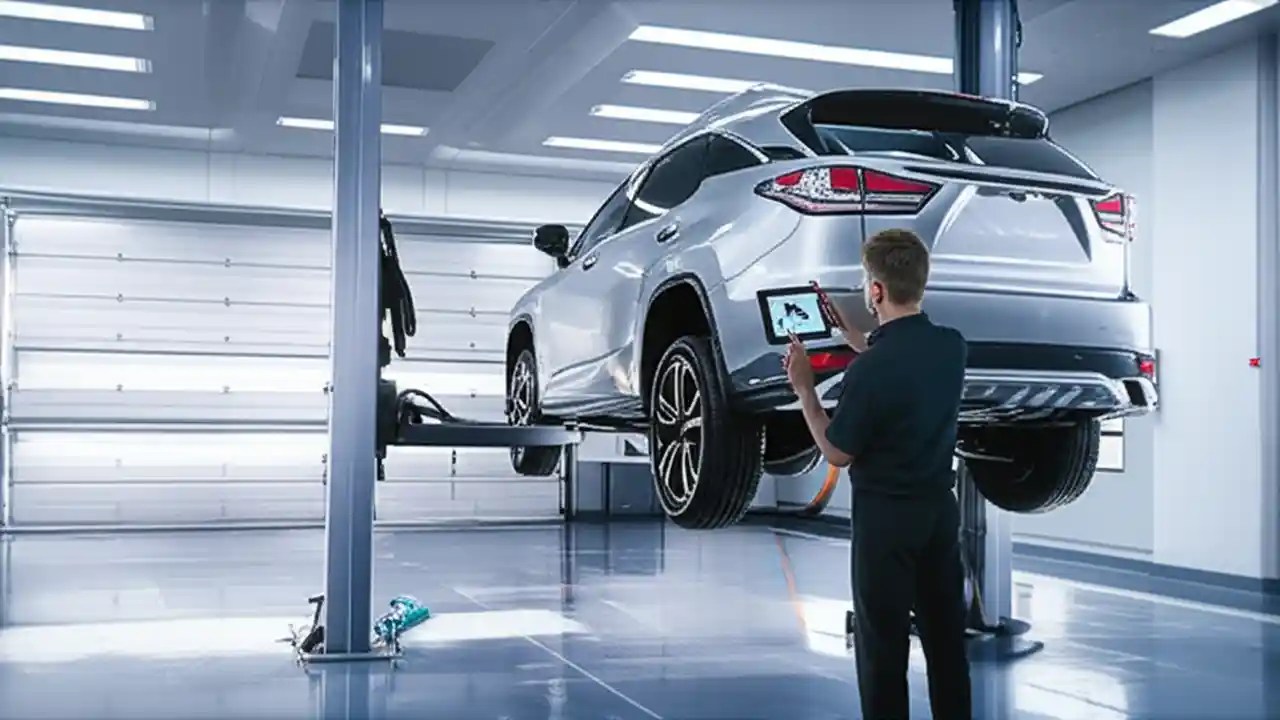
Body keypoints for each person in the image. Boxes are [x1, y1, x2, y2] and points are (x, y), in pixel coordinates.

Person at [784, 228, 972, 720]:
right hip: (937, 515)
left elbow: (837, 451)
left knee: (882, 649)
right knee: (946, 643)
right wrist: (858, 337)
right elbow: (903, 359)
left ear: (876, 290)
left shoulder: (867, 372)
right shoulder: (952, 348)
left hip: (885, 523)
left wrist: (805, 389)